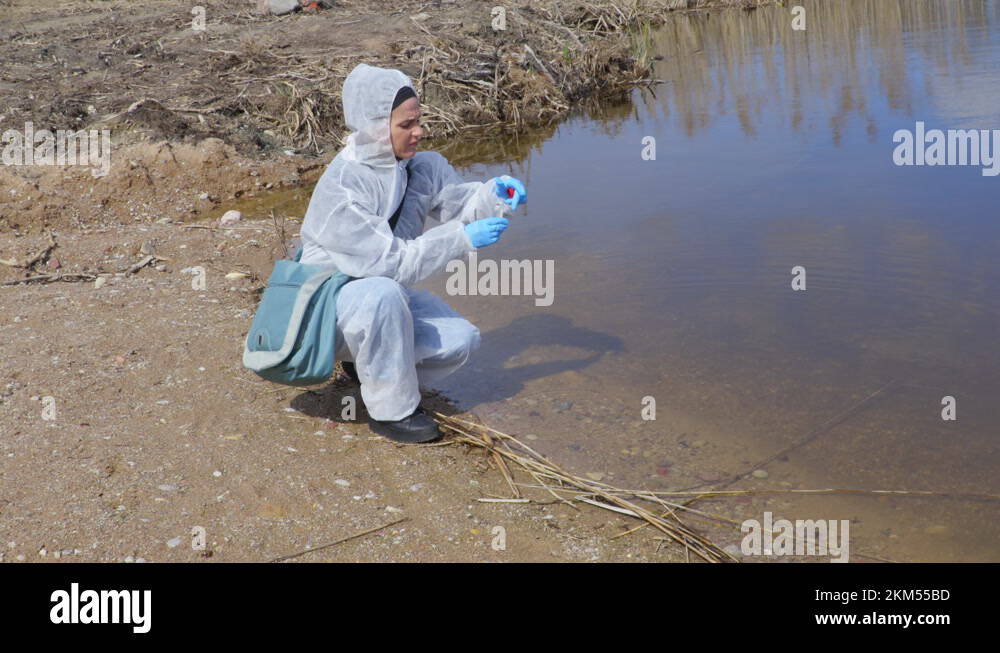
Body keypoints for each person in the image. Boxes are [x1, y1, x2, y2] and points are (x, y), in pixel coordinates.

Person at [299, 63, 526, 444]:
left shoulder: (417, 168)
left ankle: (368, 368)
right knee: (383, 293)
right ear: (374, 126)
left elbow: (460, 207)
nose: (418, 131)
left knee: (460, 341)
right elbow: (389, 264)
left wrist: (491, 195)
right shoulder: (344, 187)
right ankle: (391, 412)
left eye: (418, 120)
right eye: (406, 125)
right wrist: (461, 240)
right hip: (325, 311)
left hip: (373, 307)